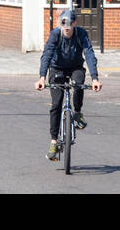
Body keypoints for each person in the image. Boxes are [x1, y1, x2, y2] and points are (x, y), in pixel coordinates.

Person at [35, 9, 101, 161]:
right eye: (63, 24)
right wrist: (42, 77)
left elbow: (89, 54)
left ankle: (77, 113)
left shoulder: (81, 34)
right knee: (56, 103)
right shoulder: (55, 35)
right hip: (57, 68)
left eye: (69, 24)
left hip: (75, 66)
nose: (66, 28)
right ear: (59, 24)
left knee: (78, 84)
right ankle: (53, 141)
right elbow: (47, 55)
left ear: (74, 24)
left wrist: (95, 78)